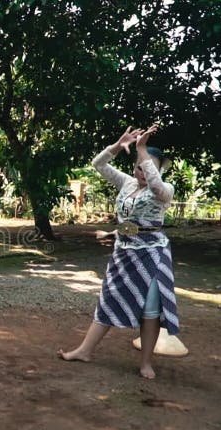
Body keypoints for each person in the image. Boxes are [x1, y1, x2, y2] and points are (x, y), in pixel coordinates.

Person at [58, 124, 178, 379]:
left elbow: (155, 187)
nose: (143, 172)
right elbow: (98, 164)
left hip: (152, 254)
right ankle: (84, 350)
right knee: (109, 298)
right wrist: (116, 146)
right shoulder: (126, 183)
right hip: (124, 252)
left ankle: (146, 363)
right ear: (133, 167)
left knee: (150, 310)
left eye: (149, 168)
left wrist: (143, 149)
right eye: (139, 166)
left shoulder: (165, 191)